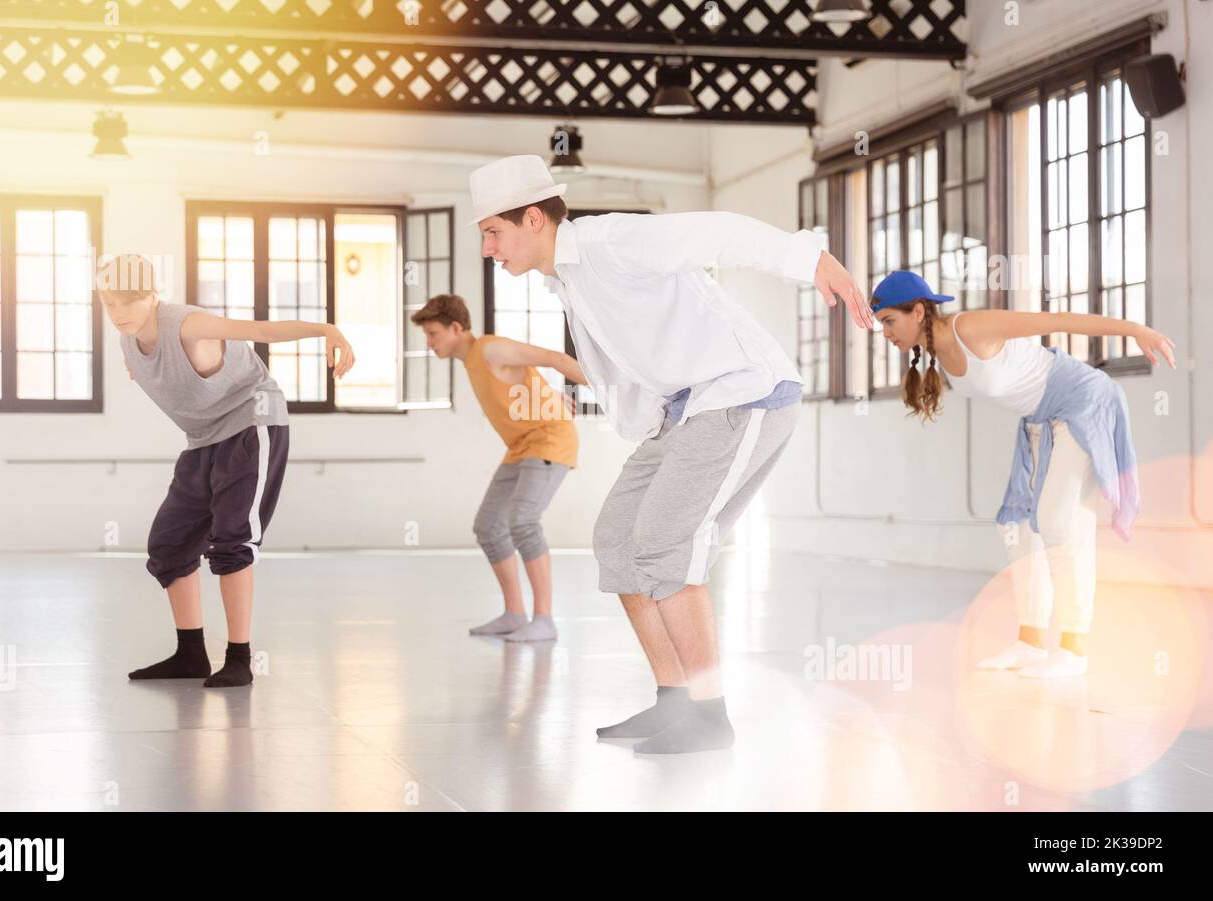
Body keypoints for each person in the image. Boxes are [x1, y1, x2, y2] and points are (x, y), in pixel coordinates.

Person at [468, 154, 873, 753]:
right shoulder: (569, 281)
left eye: (492, 233)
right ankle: (674, 701)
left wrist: (810, 259)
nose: (487, 250)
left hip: (743, 392)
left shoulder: (610, 240)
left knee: (665, 541)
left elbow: (720, 232)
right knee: (615, 538)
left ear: (533, 219)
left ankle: (710, 716)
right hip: (684, 411)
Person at [869, 269, 1176, 678]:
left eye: (889, 320)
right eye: (881, 324)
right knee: (1016, 527)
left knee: (1058, 521)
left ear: (919, 311)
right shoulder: (938, 355)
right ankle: (1031, 642)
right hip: (1039, 419)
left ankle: (1074, 648)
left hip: (1081, 400)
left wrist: (1135, 329)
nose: (886, 332)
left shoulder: (971, 328)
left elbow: (1057, 321)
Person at [98, 253, 354, 687]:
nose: (119, 313)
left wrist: (327, 330)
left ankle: (239, 659)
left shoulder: (189, 325)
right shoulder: (129, 341)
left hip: (252, 423)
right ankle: (191, 653)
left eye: (130, 301)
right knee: (169, 543)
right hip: (203, 439)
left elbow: (259, 331)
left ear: (154, 295)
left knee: (231, 538)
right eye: (110, 303)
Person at [411, 292, 584, 642]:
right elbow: (523, 376)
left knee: (522, 520)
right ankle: (514, 613)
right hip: (521, 446)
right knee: (488, 526)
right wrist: (549, 395)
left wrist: (611, 389)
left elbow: (550, 356)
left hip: (549, 438)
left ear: (456, 327)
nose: (429, 344)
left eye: (433, 334)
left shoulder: (489, 349)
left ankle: (545, 619)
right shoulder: (473, 360)